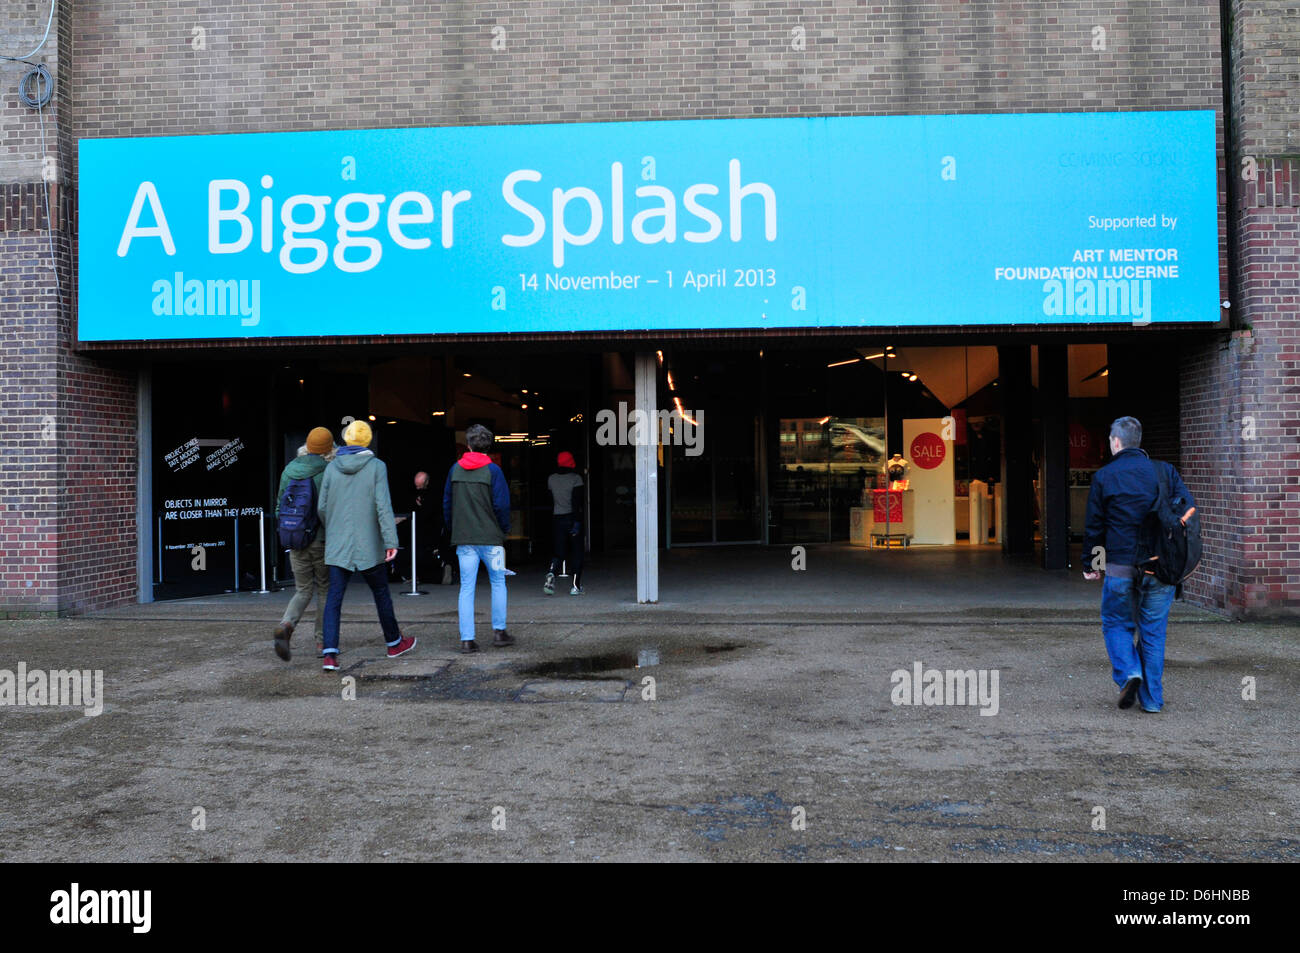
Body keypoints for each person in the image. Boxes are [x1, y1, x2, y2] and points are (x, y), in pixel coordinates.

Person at [1081, 416, 1196, 714]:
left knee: (1116, 623)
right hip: (1159, 567)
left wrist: (1091, 564)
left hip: (1120, 566)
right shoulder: (1164, 472)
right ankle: (1152, 701)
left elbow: (1095, 527)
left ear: (1116, 442)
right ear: (1138, 441)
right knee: (1153, 633)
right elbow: (1185, 510)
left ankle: (1129, 672)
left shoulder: (1105, 477)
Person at [317, 419, 416, 672]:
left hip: (339, 545)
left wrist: (336, 529)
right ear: (367, 440)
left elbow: (322, 508)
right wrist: (391, 540)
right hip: (369, 544)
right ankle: (394, 643)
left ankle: (330, 654)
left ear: (347, 439)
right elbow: (383, 506)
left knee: (334, 599)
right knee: (381, 593)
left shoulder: (331, 467)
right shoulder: (376, 466)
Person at [443, 424, 513, 653]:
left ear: (469, 444)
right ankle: (499, 632)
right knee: (498, 582)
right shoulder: (494, 471)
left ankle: (467, 639)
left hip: (464, 538)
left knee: (466, 588)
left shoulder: (455, 469)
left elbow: (447, 504)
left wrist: (453, 529)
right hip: (492, 538)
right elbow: (502, 505)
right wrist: (504, 529)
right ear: (488, 445)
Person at [272, 427, 335, 662]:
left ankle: (286, 624)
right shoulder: (329, 471)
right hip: (321, 540)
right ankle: (322, 642)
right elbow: (329, 510)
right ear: (330, 449)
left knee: (303, 589)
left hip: (295, 539)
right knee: (325, 590)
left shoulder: (289, 469)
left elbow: (279, 506)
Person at [544, 451, 585, 595]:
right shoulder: (576, 479)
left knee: (559, 552)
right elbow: (577, 502)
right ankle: (575, 586)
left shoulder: (551, 479)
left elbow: (550, 500)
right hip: (572, 518)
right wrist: (578, 521)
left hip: (557, 518)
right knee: (576, 553)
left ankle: (551, 572)